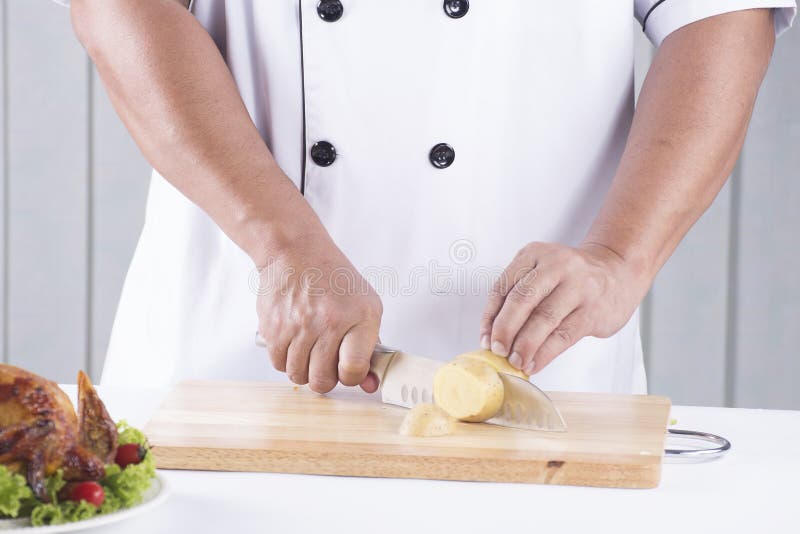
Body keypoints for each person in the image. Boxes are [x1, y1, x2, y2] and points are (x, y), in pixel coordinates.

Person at [58, 0, 794, 393]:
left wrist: (617, 257)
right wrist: (282, 244)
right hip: (232, 356)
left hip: (537, 378)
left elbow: (721, 16)